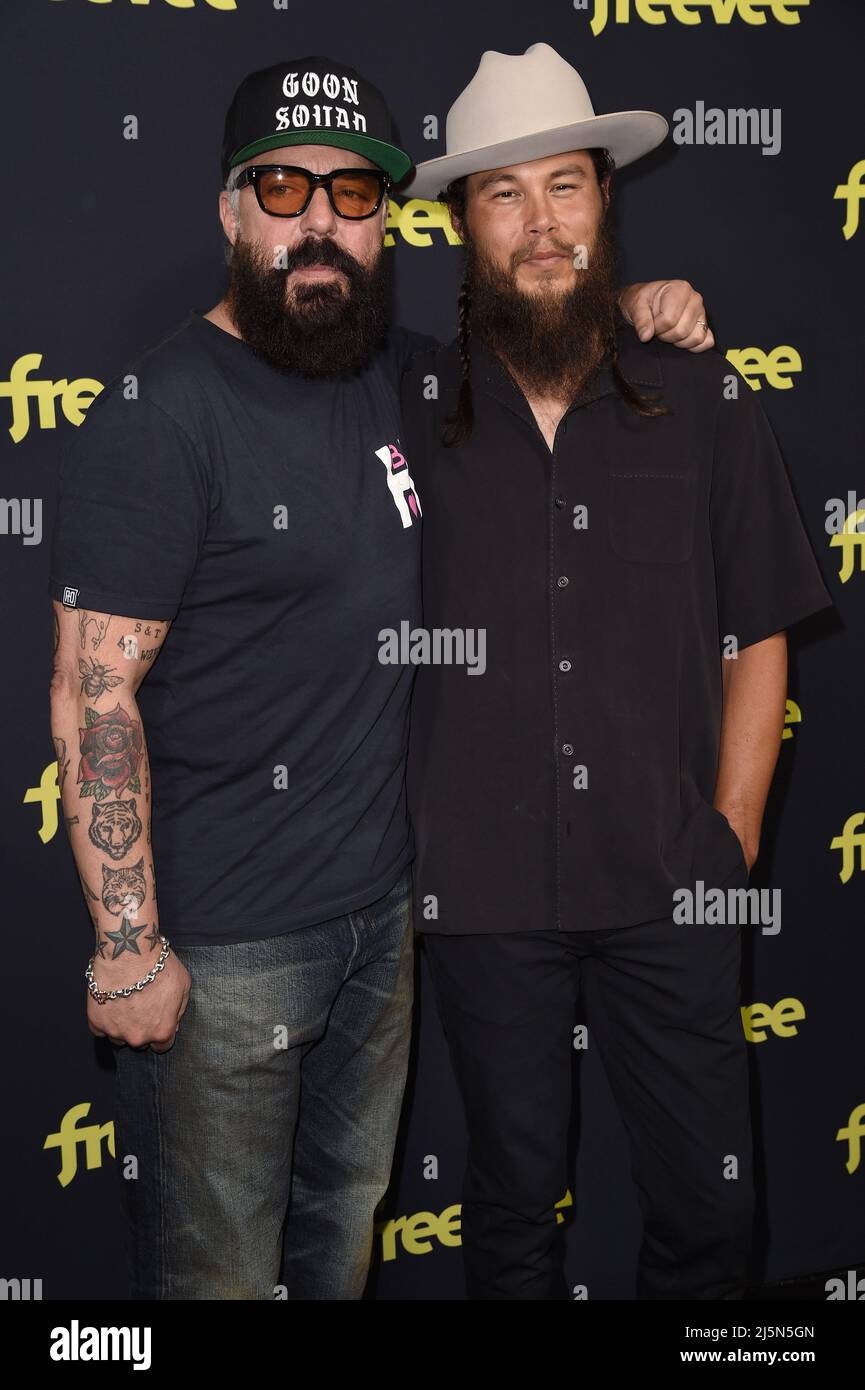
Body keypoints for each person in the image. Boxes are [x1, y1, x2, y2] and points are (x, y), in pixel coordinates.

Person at [48, 54, 713, 1300]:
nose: (318, 221)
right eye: (284, 187)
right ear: (230, 209)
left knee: (337, 1251)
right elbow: (94, 696)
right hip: (226, 950)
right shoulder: (162, 412)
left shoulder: (393, 374)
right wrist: (128, 946)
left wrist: (635, 306)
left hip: (383, 929)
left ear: (389, 220)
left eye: (352, 195)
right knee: (225, 1281)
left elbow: (539, 332)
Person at [399, 43, 834, 1300]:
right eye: (503, 194)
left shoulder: (697, 393)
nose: (540, 224)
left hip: (671, 886)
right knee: (512, 1215)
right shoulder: (404, 399)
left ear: (605, 200)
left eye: (565, 188)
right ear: (461, 224)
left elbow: (762, 631)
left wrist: (733, 833)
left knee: (712, 1214)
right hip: (479, 896)